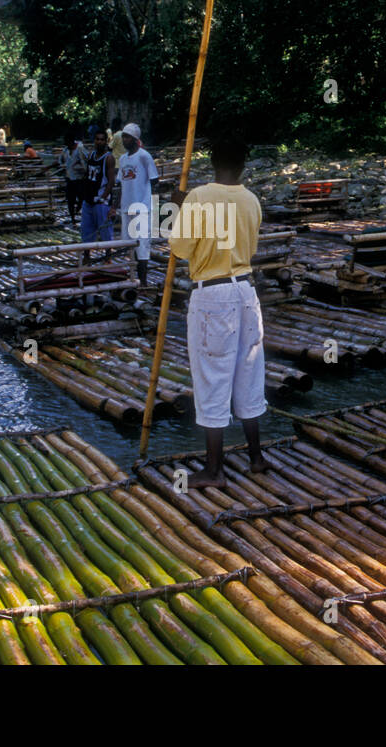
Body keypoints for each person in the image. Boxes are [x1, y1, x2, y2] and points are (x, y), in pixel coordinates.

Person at [168, 137, 267, 488]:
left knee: (213, 375)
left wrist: (182, 209)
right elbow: (248, 246)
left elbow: (180, 249)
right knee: (249, 370)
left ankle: (214, 470)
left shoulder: (199, 196)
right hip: (245, 291)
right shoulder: (251, 200)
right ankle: (256, 457)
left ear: (213, 162)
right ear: (243, 165)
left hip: (213, 295)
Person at [115, 122, 159, 288]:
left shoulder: (144, 156)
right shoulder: (123, 158)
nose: (124, 140)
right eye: (123, 137)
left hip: (141, 208)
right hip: (126, 207)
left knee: (142, 245)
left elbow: (154, 180)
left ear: (135, 139)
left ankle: (143, 282)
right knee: (128, 244)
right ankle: (132, 278)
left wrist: (148, 200)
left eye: (127, 137)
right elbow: (120, 183)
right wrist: (115, 206)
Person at [80, 128, 115, 246]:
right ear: (94, 141)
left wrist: (103, 197)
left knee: (105, 231)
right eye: (97, 139)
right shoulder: (91, 155)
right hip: (89, 198)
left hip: (101, 200)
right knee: (86, 230)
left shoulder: (108, 158)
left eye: (102, 140)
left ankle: (108, 256)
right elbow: (87, 175)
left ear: (106, 141)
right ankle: (86, 256)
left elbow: (111, 181)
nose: (99, 142)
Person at [58, 131, 87, 227]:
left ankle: (80, 212)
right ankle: (73, 219)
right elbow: (59, 161)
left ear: (71, 141)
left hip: (80, 179)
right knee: (70, 200)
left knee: (81, 199)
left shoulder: (80, 148)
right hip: (70, 179)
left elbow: (87, 161)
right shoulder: (66, 150)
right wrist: (48, 167)